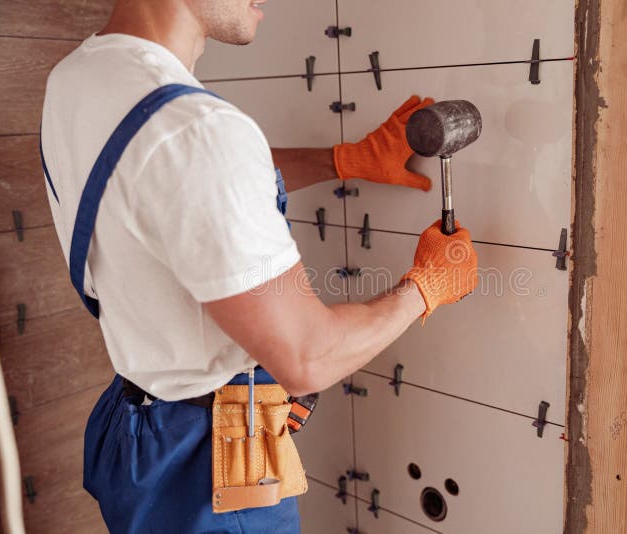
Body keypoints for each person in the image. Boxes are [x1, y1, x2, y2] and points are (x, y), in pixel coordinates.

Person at [40, 0, 478, 532]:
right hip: (212, 469)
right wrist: (426, 286)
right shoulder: (195, 128)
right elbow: (308, 357)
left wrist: (344, 159)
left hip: (138, 430)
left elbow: (180, 182)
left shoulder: (83, 76)